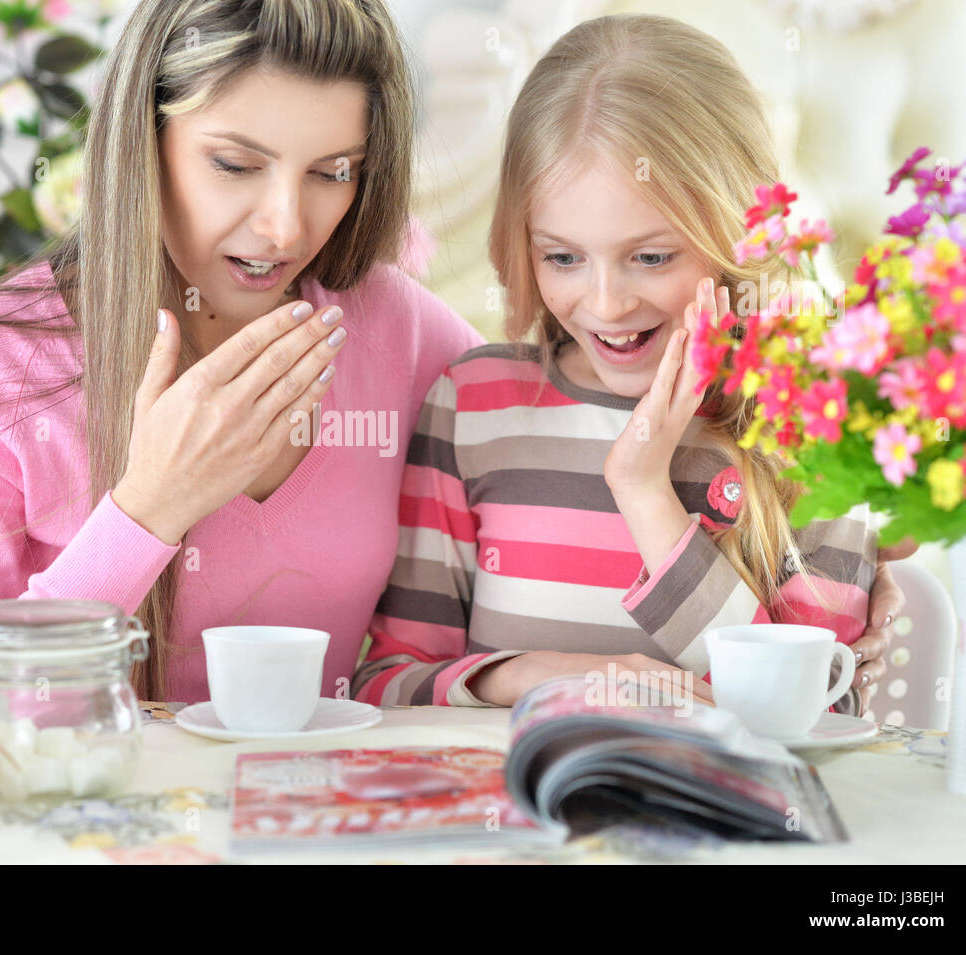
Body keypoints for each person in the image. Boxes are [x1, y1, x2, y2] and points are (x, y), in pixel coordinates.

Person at [0, 0, 484, 702]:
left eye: (332, 171)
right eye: (234, 163)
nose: (285, 225)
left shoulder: (390, 327)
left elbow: (550, 435)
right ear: (144, 141)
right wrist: (149, 508)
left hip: (318, 805)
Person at [353, 13, 909, 714]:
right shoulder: (472, 405)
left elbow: (808, 710)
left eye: (651, 257)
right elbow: (387, 681)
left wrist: (644, 488)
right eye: (563, 257)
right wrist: (530, 674)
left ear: (735, 235)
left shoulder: (816, 426)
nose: (607, 303)